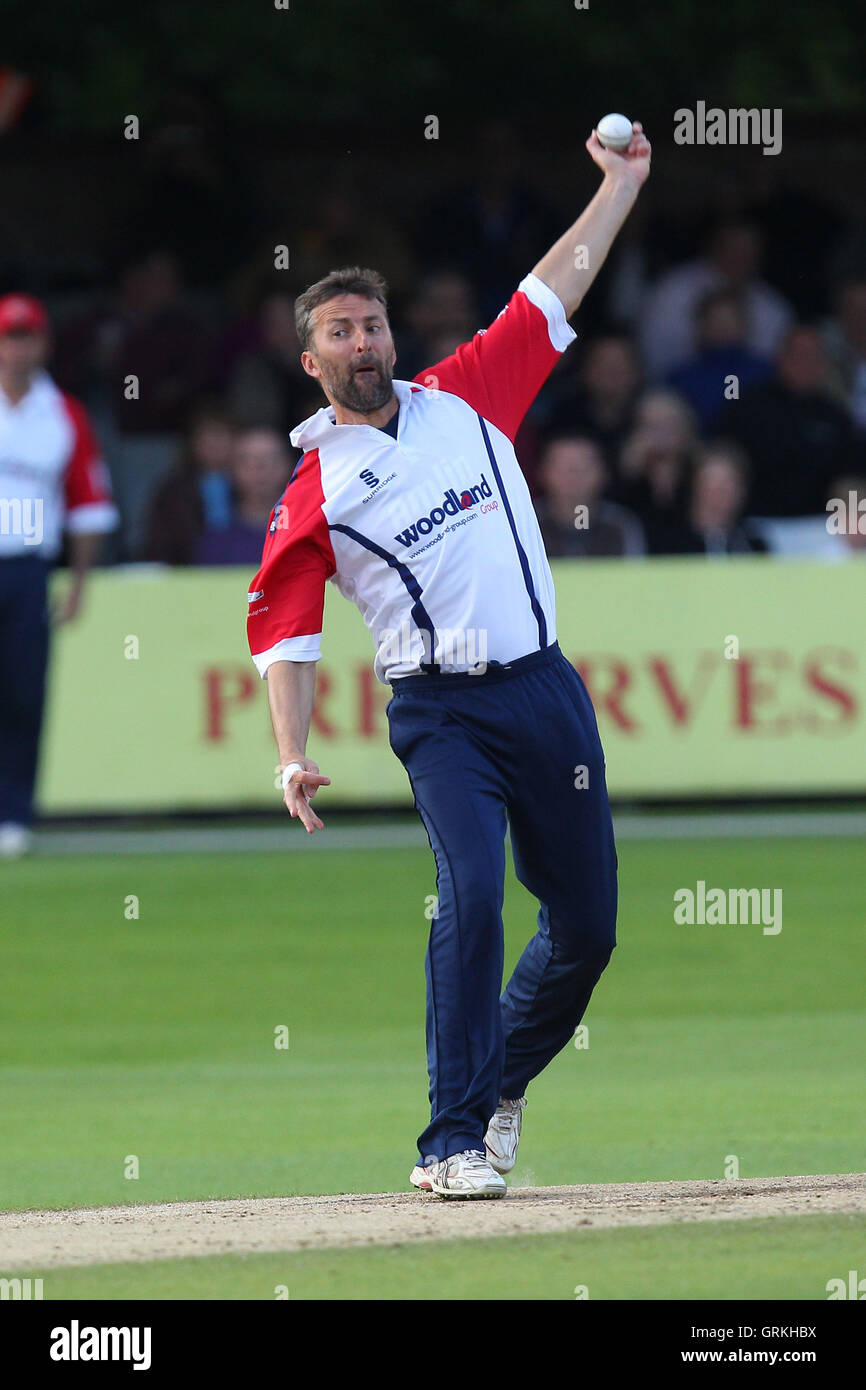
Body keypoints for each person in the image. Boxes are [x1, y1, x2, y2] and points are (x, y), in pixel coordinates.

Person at [246, 122, 652, 1199]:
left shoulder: (466, 393)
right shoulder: (312, 495)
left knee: (588, 930)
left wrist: (617, 188)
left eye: (371, 323)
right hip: (442, 714)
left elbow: (551, 289)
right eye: (339, 331)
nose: (362, 342)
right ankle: (448, 1142)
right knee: (471, 895)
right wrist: (289, 754)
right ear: (312, 359)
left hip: (543, 689)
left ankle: (499, 1085)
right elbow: (284, 635)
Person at [0, 294, 117, 858]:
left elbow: (87, 504)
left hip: (27, 567)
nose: (17, 347)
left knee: (23, 693)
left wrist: (78, 583)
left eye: (26, 336)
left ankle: (15, 815)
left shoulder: (62, 412)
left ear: (42, 343)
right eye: (9, 336)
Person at [533, 434, 645, 558]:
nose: (573, 477)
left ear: (604, 474)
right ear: (542, 473)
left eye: (584, 467)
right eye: (562, 468)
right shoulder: (528, 523)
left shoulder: (620, 526)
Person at [195, 427, 292, 566]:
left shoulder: (308, 533)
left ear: (290, 466)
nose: (261, 469)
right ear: (232, 470)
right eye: (248, 461)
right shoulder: (216, 540)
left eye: (272, 459)